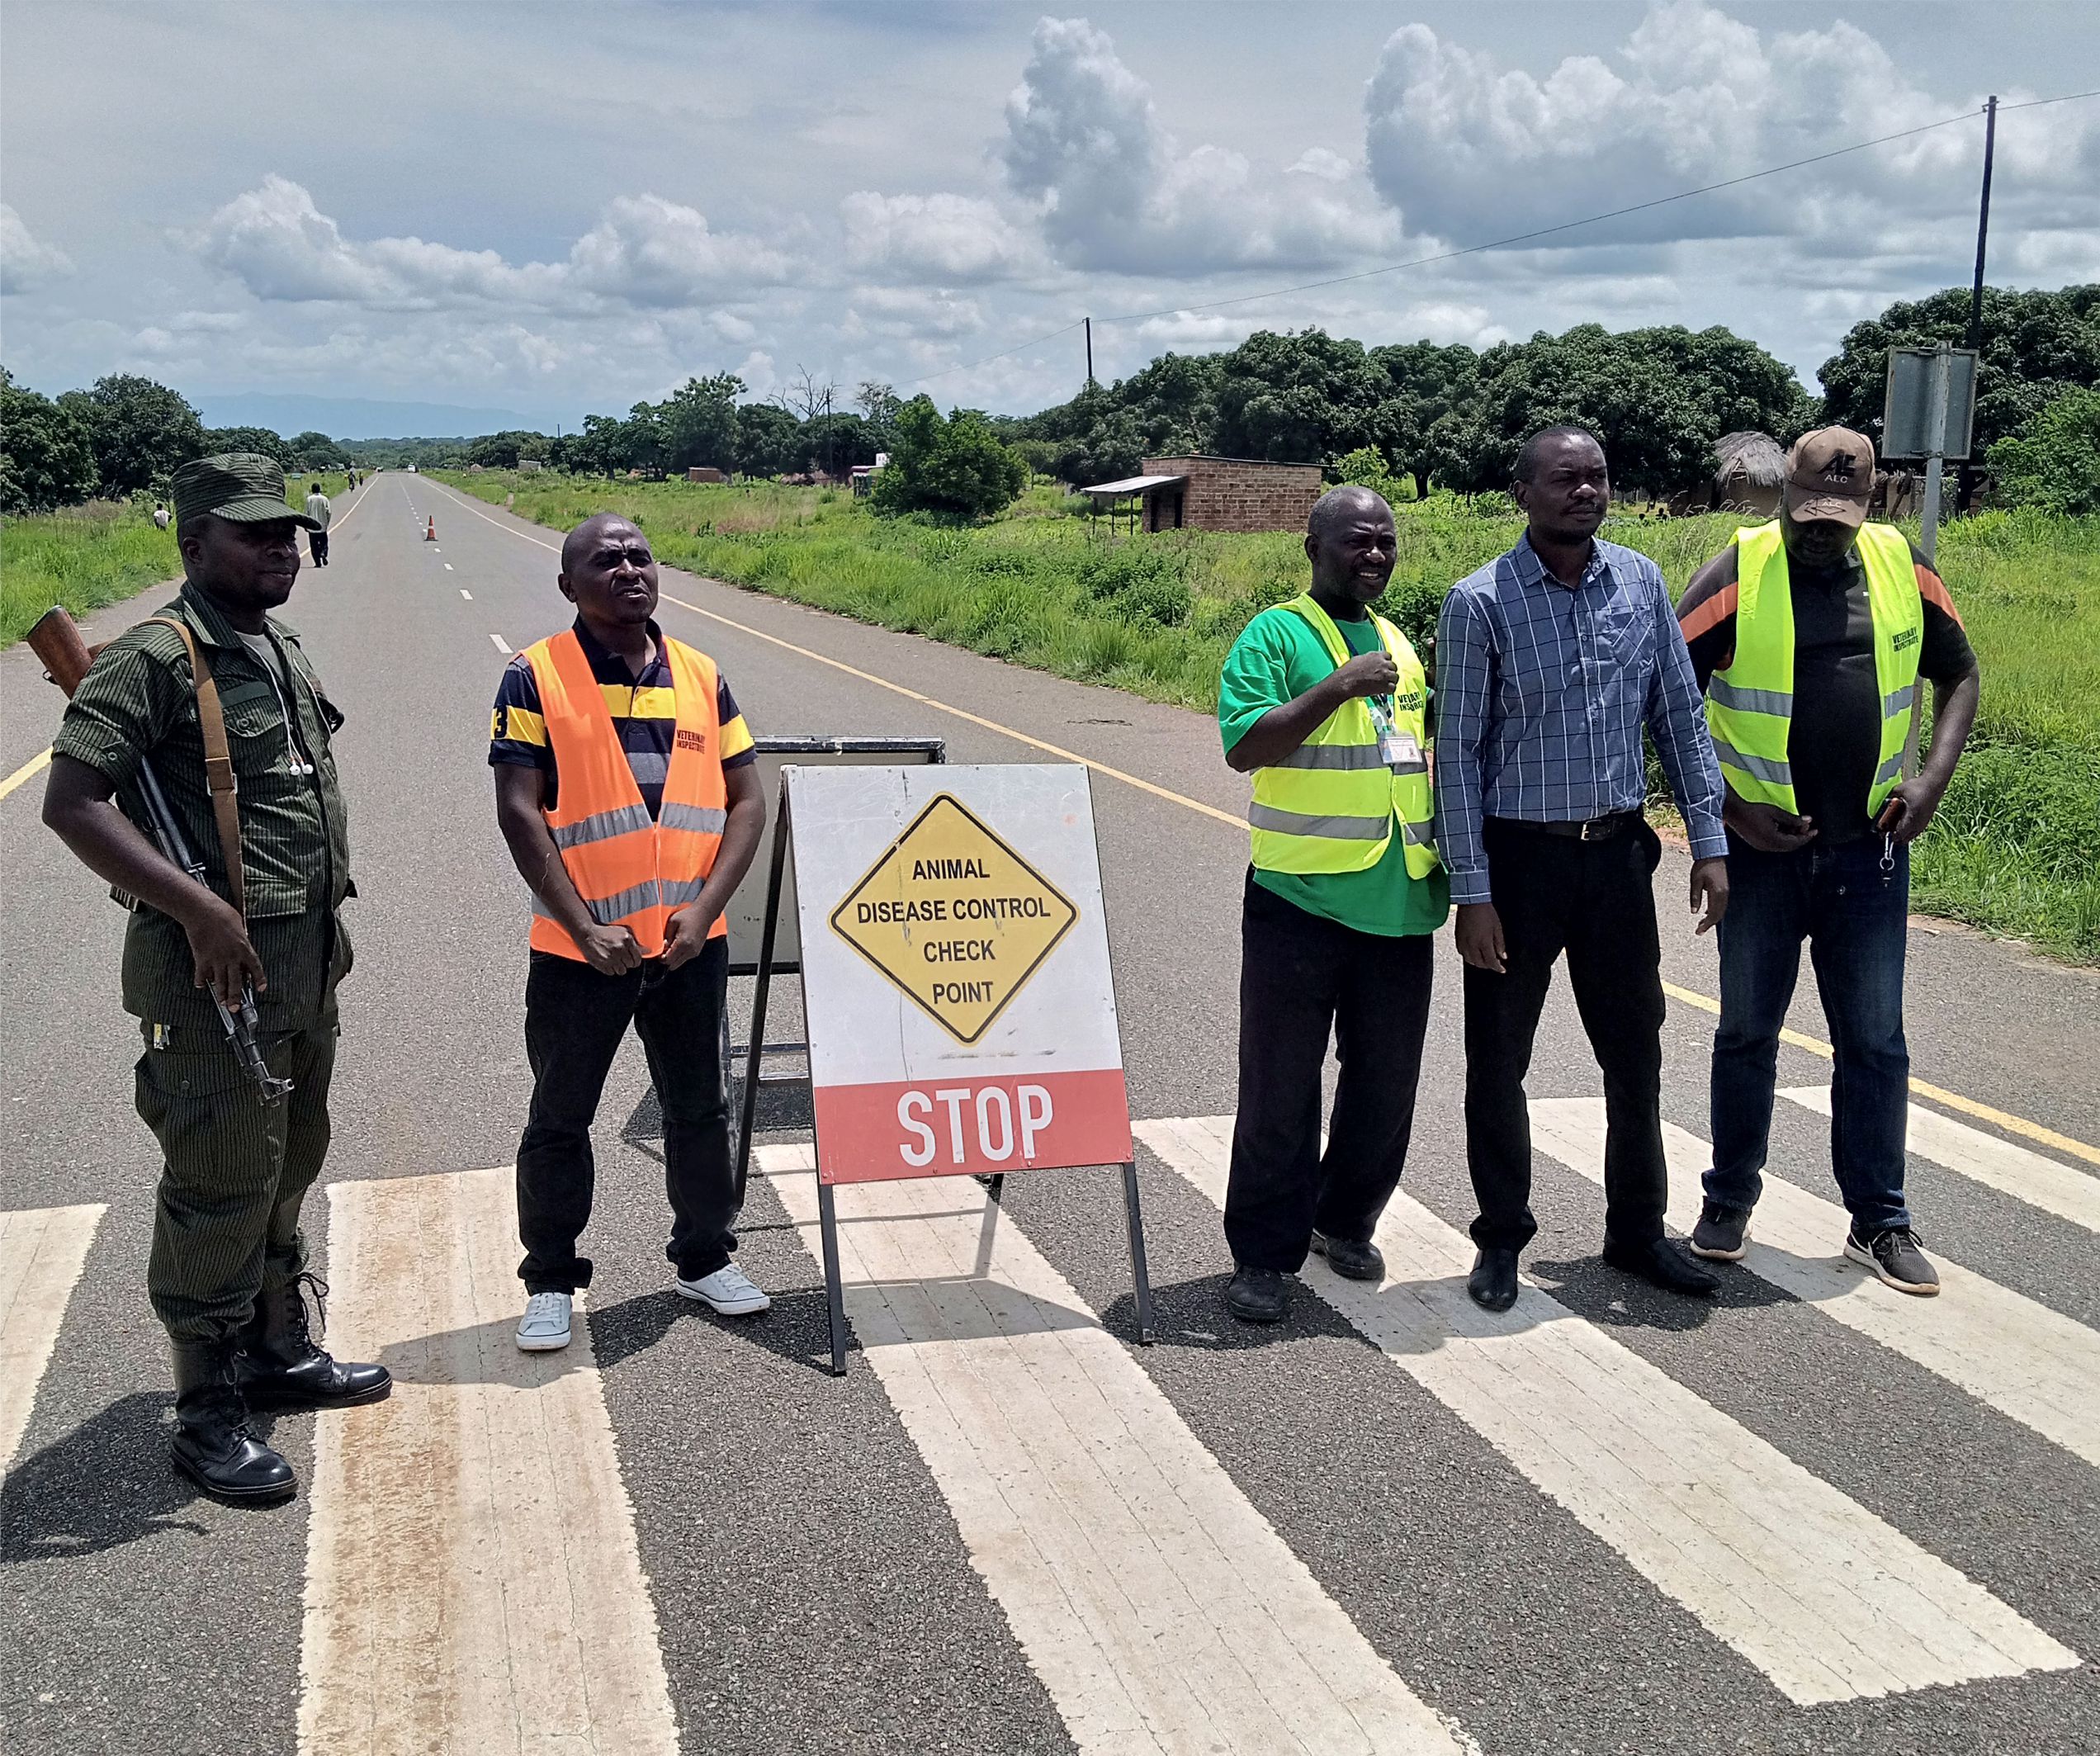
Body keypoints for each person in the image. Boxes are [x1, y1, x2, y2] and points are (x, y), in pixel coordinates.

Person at [41, 453, 386, 1505]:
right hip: (211, 979)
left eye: (286, 532)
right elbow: (73, 803)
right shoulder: (154, 658)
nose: (281, 548)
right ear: (194, 546)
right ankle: (205, 1410)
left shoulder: (275, 645)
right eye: (254, 534)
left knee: (288, 1159)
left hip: (303, 963)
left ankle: (276, 1347)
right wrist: (199, 908)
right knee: (219, 1181)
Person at [1677, 428, 1979, 1294]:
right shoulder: (1738, 571)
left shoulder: (1903, 567)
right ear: (1783, 493)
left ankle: (1879, 1220)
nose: (1819, 533)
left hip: (1869, 856)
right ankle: (1729, 1199)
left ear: (1870, 503)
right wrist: (1729, 812)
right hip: (1761, 859)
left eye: (1836, 520)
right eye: (1805, 513)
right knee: (1746, 1032)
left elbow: (1959, 675)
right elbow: (1665, 696)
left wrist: (1931, 782)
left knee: (1874, 1041)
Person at [1436, 426, 1729, 1313]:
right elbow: (1456, 758)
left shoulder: (1639, 582)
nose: (1585, 491)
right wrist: (1473, 891)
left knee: (1635, 1055)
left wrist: (1709, 840)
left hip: (1616, 860)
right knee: (1498, 1062)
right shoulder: (1478, 602)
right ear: (1522, 493)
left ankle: (1637, 1232)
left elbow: (1679, 716)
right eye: (1565, 478)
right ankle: (1500, 1237)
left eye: (1597, 476)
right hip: (1518, 864)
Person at [490, 513, 769, 1351]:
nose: (627, 569)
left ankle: (704, 1257)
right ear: (568, 584)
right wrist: (583, 927)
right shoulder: (534, 675)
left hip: (688, 945)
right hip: (582, 952)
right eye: (604, 560)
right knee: (560, 1116)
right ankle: (550, 1278)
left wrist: (704, 909)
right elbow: (519, 810)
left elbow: (747, 801)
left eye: (639, 555)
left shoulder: (702, 675)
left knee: (699, 1108)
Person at [1213, 485, 1447, 1323]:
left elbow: (1413, 753)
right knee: (1280, 1087)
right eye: (1357, 541)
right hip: (1299, 897)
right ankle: (1262, 1255)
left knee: (1385, 1086)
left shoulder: (1400, 643)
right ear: (1314, 548)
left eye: (1386, 541)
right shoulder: (1275, 633)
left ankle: (1344, 1219)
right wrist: (1337, 687)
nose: (1375, 555)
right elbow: (1245, 745)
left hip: (1400, 898)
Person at [304, 484, 332, 566]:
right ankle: (323, 552)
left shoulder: (309, 499)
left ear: (312, 490)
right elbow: (329, 512)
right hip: (322, 526)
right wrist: (327, 522)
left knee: (314, 547)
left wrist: (306, 525)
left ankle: (318, 563)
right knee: (324, 543)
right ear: (320, 489)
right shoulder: (324, 499)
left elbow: (306, 513)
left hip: (312, 527)